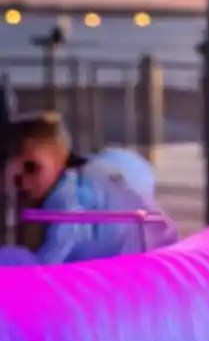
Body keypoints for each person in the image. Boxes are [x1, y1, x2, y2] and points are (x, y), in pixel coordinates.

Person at [4, 112, 178, 264]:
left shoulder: (65, 198)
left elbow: (49, 261)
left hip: (141, 263)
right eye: (17, 179)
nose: (25, 184)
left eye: (32, 168)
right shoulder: (99, 168)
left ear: (60, 158)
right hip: (161, 246)